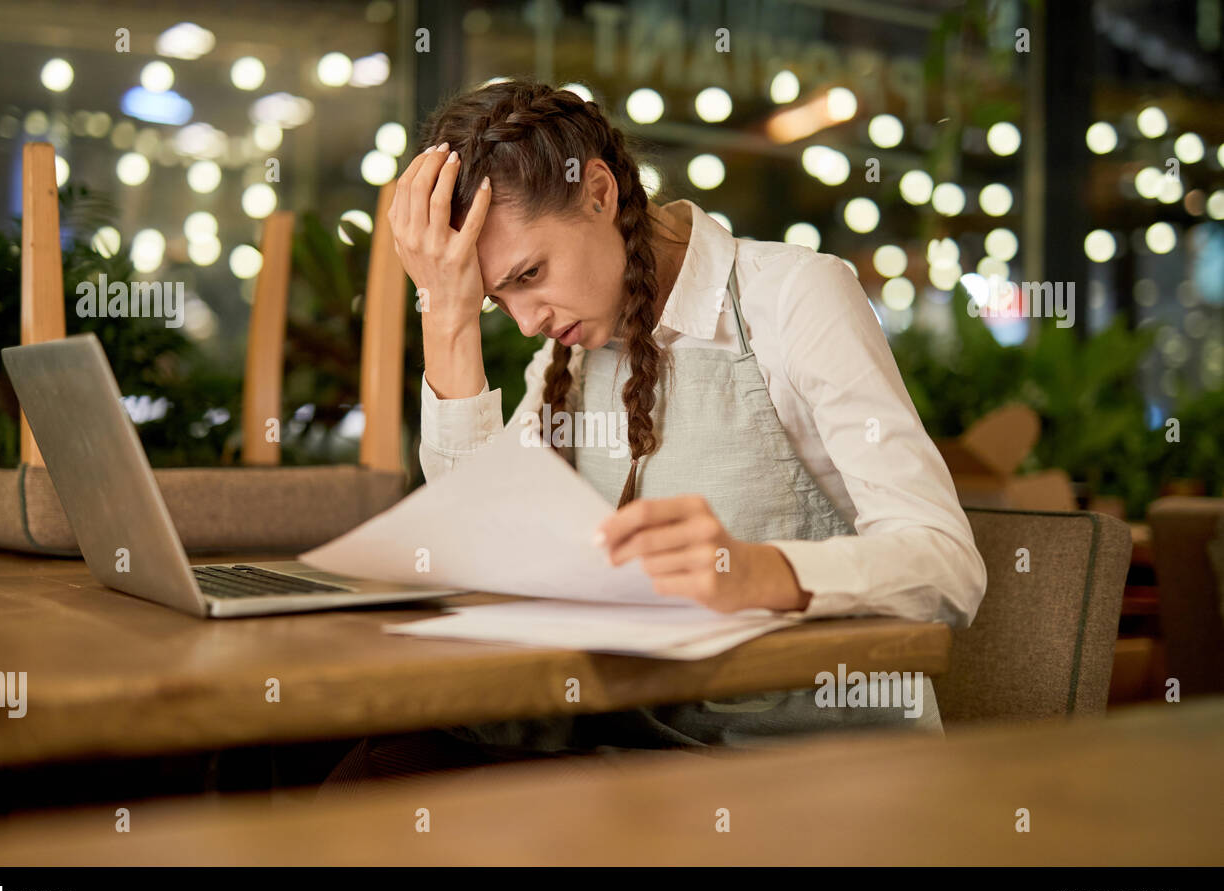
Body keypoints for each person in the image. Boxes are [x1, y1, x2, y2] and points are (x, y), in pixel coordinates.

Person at [377, 77, 986, 764]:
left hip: (804, 768)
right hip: (619, 741)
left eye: (528, 274)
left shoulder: (791, 297)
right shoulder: (568, 346)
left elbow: (947, 567)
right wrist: (447, 316)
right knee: (376, 766)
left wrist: (757, 574)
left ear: (598, 192)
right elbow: (477, 548)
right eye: (495, 299)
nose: (526, 320)